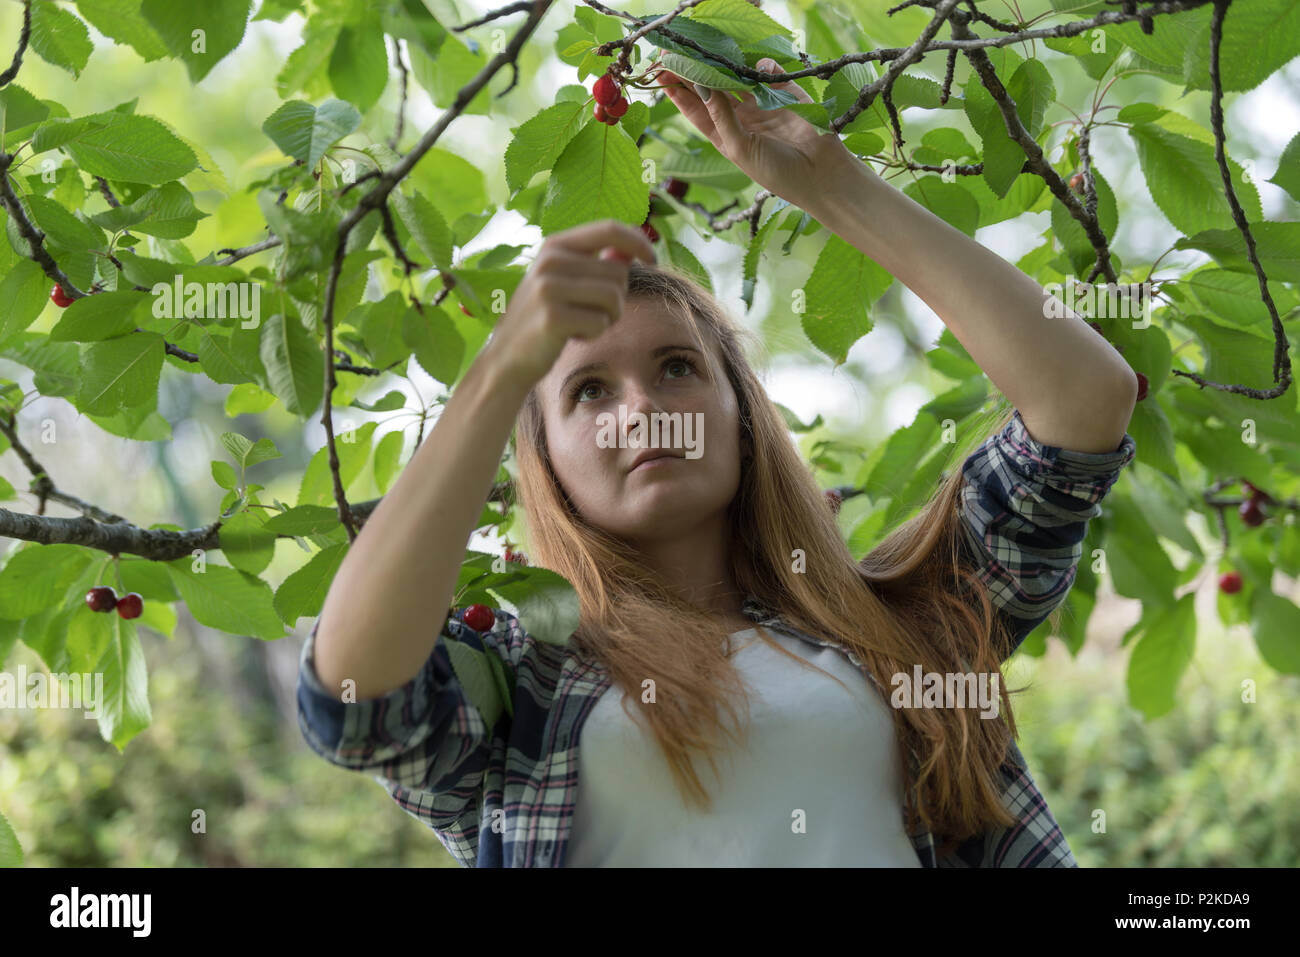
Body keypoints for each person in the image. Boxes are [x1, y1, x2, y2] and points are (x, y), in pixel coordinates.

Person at [296, 58, 1138, 867]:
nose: (643, 409)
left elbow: (1084, 403)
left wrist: (833, 185)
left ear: (742, 423)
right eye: (588, 390)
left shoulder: (902, 625)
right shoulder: (523, 682)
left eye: (677, 368)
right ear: (544, 461)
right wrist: (499, 370)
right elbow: (357, 698)